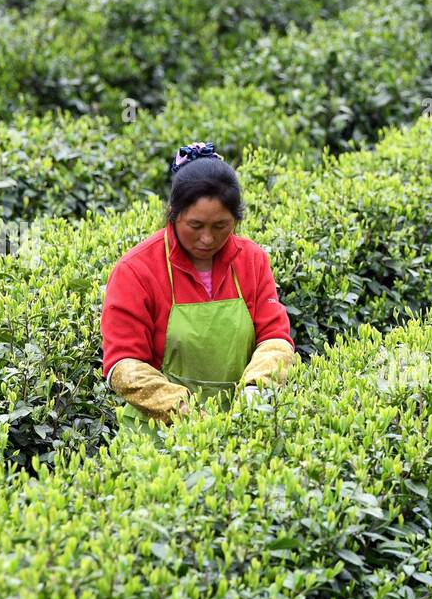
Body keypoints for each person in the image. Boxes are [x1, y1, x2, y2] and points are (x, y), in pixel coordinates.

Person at [101, 141, 297, 439]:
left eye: (220, 226)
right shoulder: (136, 269)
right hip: (159, 437)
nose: (207, 238)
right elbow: (123, 366)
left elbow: (276, 338)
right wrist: (184, 411)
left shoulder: (251, 260)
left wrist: (257, 389)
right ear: (174, 214)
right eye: (195, 225)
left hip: (242, 428)